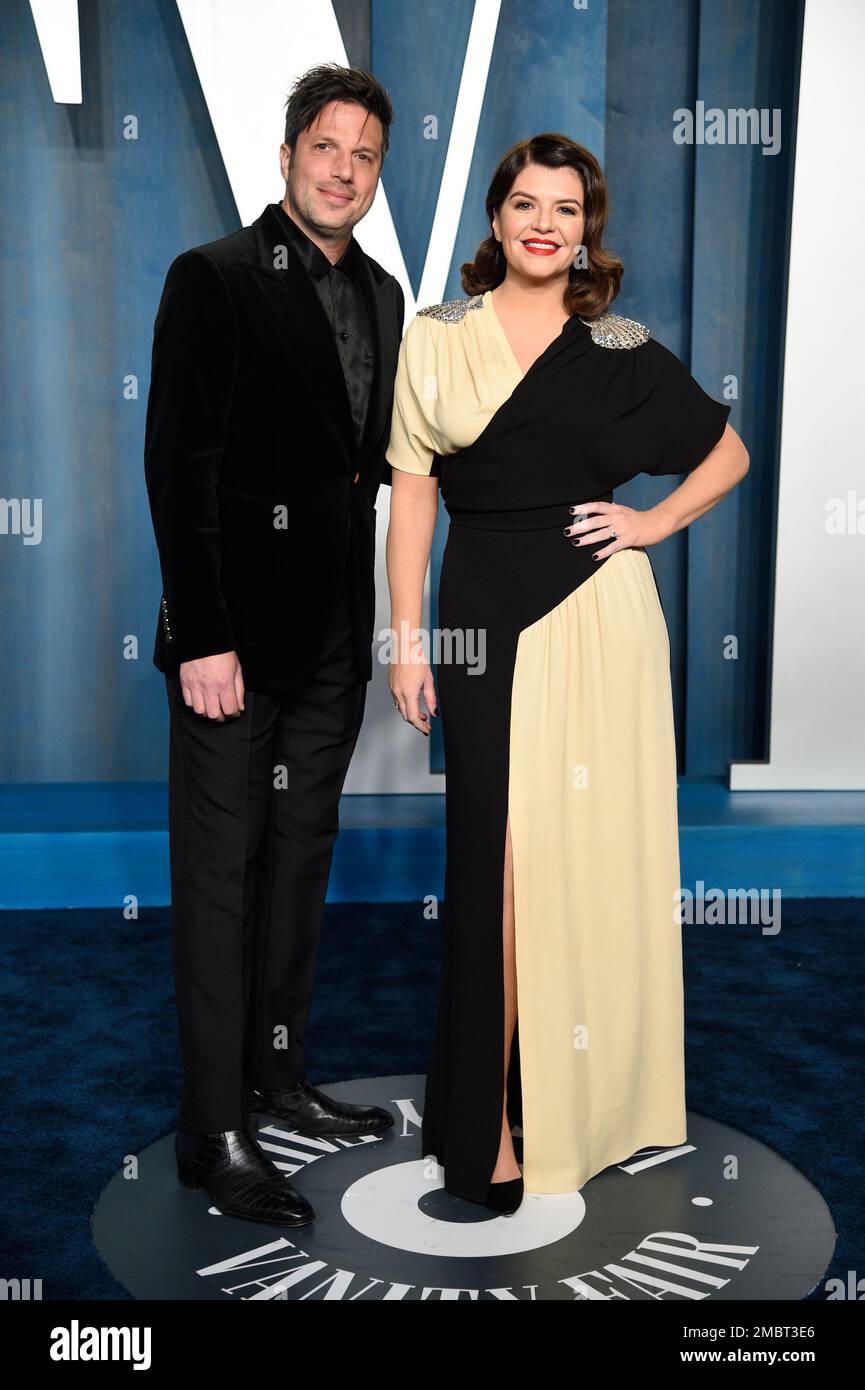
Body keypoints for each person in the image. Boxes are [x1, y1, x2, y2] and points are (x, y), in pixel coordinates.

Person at [384, 133, 749, 1214]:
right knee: (495, 861)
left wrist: (650, 522)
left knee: (589, 851)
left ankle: (590, 1100)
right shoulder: (435, 337)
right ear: (495, 217)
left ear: (587, 229)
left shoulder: (619, 344)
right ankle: (483, 1125)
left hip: (602, 617)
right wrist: (406, 638)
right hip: (485, 615)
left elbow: (724, 451)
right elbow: (412, 492)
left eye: (567, 208)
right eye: (525, 204)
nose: (545, 224)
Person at [144, 64, 404, 1227]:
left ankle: (278, 1073)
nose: (344, 170)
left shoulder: (387, 294)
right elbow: (179, 463)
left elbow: (369, 472)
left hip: (332, 645)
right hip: (232, 647)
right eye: (326, 148)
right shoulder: (214, 278)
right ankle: (214, 1130)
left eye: (365, 156)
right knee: (219, 877)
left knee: (298, 868)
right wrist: (202, 634)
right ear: (288, 154)